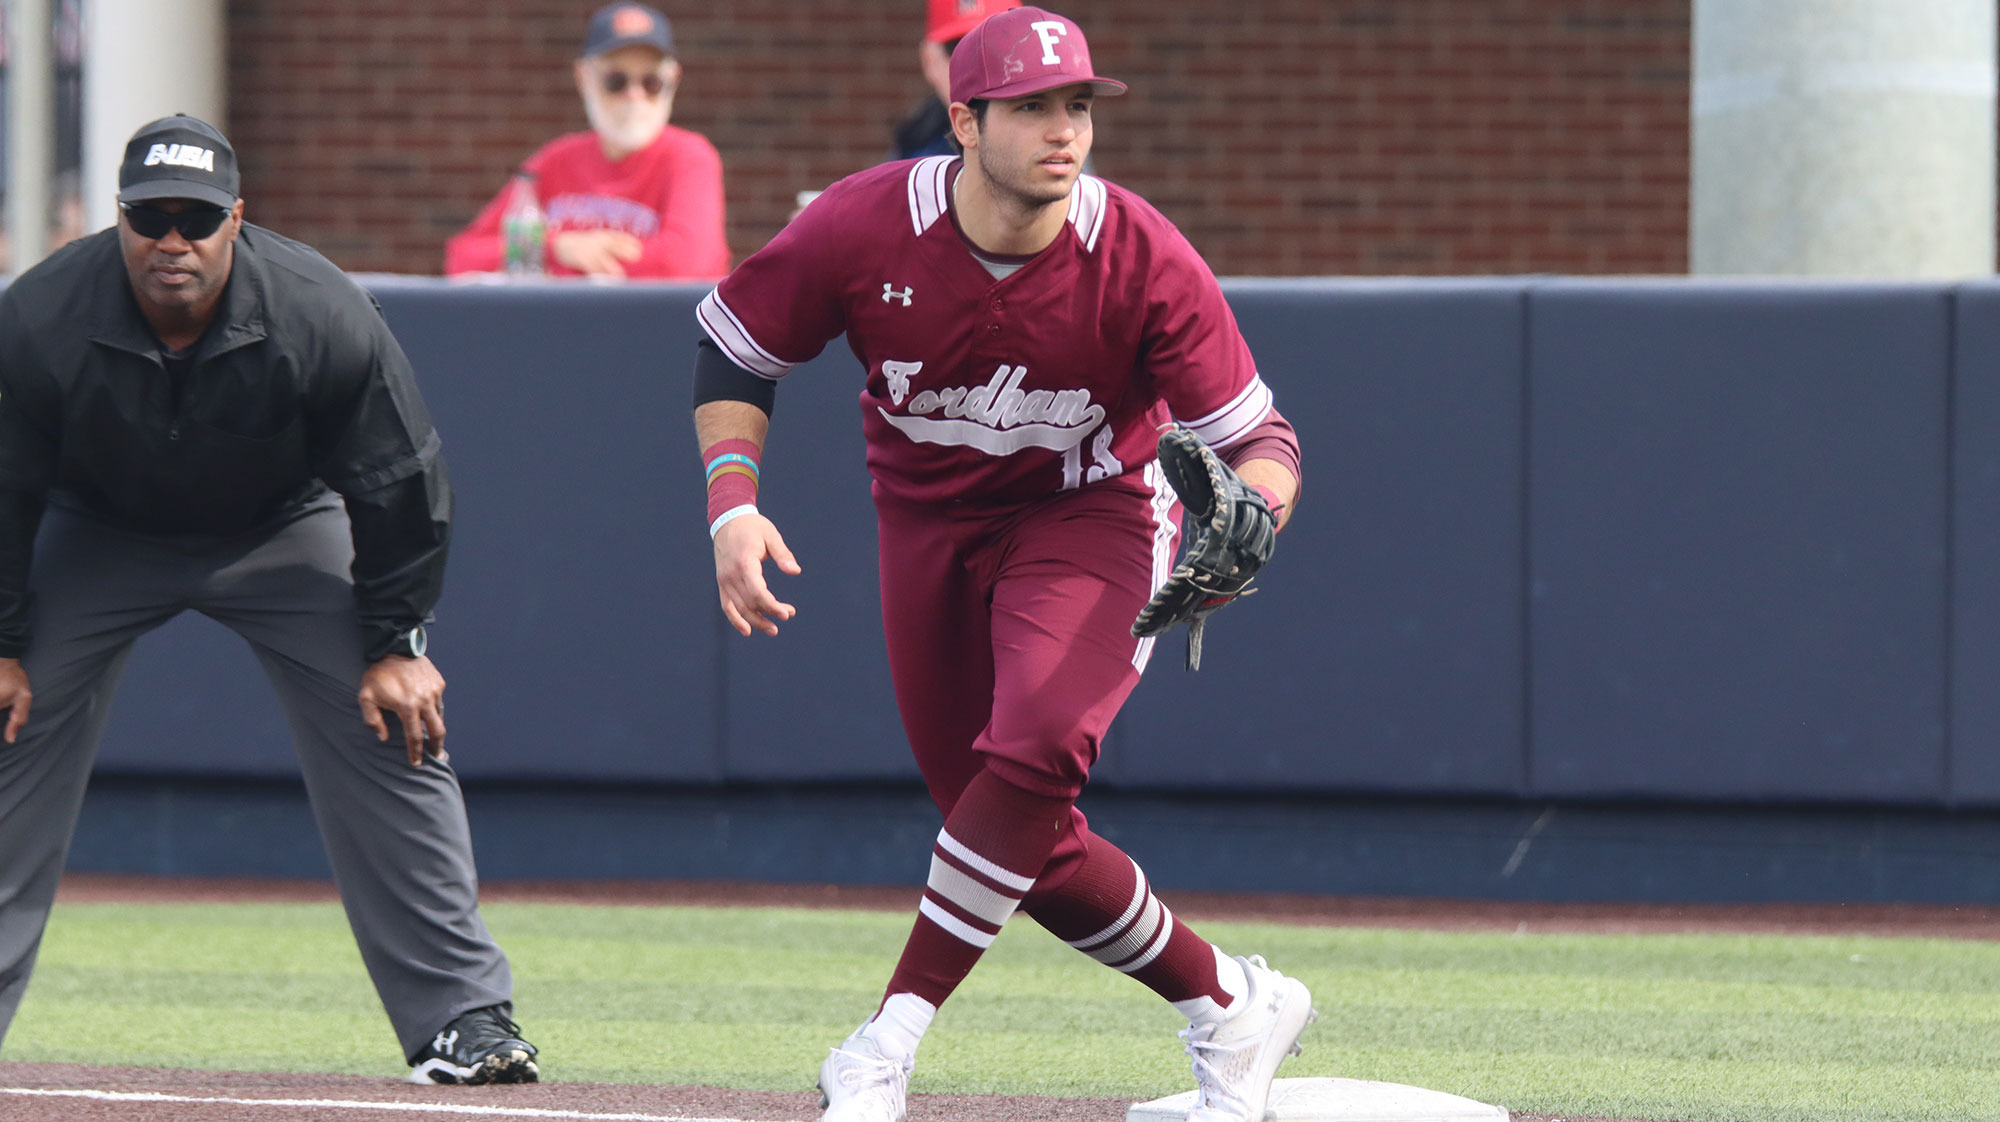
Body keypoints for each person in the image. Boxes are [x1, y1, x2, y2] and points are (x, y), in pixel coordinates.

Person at [691, 8, 1310, 1121]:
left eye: (1076, 105)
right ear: (964, 122)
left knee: (1027, 759)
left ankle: (884, 1043)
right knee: (1008, 828)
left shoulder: (1138, 252)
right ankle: (1228, 1004)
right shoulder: (864, 224)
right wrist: (729, 506)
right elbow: (735, 349)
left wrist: (1256, 510)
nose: (1063, 130)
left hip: (1093, 518)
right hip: (924, 528)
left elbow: (1263, 442)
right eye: (1031, 108)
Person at [0, 115, 539, 1087]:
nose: (174, 241)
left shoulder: (317, 309)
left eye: (196, 220)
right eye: (150, 219)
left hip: (279, 528)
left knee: (394, 718)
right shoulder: (38, 317)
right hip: (100, 534)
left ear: (236, 220)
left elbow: (399, 479)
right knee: (5, 712)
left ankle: (462, 1019)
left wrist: (395, 640)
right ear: (116, 222)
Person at [444, 2, 729, 280]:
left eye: (651, 82)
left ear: (673, 81)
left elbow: (686, 265)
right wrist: (559, 247)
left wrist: (560, 265)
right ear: (584, 78)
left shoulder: (690, 157)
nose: (635, 95)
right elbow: (464, 255)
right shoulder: (555, 160)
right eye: (616, 81)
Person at [891, 0, 1020, 160]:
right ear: (929, 61)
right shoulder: (914, 146)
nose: (977, 65)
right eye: (958, 49)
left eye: (993, 47)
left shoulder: (1052, 134)